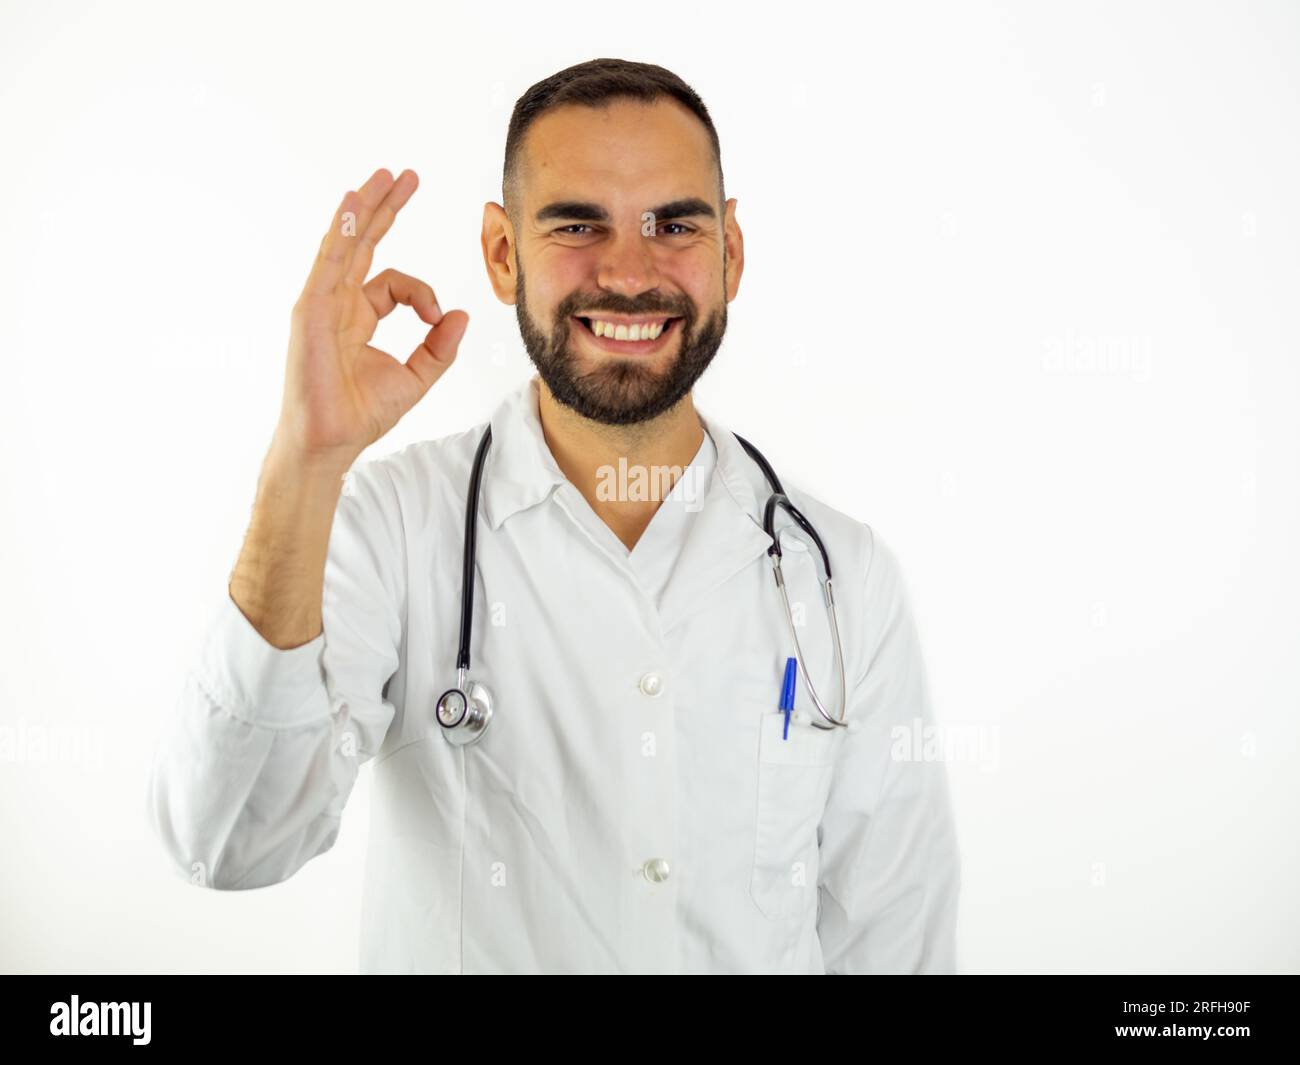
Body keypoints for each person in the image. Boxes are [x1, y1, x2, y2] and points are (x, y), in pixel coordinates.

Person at [146, 57, 961, 974]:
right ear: (503, 255)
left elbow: (896, 941)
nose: (627, 272)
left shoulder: (841, 576)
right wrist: (303, 460)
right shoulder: (390, 528)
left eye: (675, 224)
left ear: (730, 251)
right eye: (579, 223)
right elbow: (227, 840)